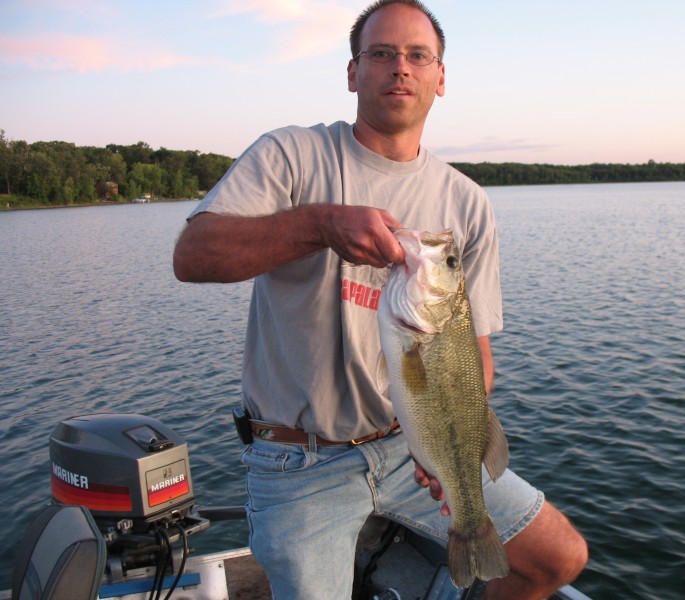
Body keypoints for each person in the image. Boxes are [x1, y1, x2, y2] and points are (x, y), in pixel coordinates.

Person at [173, 1, 587, 598]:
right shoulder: (291, 156)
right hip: (301, 464)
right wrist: (319, 226)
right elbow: (193, 256)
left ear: (440, 78)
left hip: (410, 447)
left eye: (419, 55)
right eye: (382, 54)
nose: (401, 68)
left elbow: (477, 358)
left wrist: (444, 447)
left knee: (557, 558)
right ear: (352, 73)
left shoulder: (467, 203)